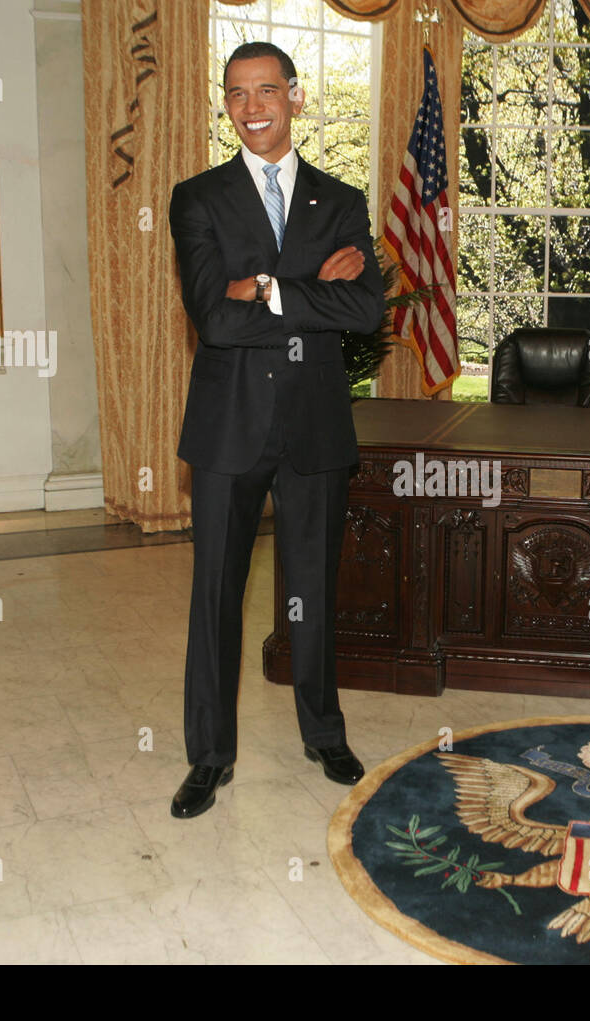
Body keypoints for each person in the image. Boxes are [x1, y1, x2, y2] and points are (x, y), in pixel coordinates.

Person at [168, 41, 384, 819]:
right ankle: (210, 756)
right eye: (236, 93)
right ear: (225, 104)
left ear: (295, 97)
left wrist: (259, 286)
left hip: (315, 428)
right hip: (227, 430)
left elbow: (364, 311)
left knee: (313, 593)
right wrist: (300, 291)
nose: (252, 106)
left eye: (266, 90)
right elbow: (214, 321)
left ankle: (324, 734)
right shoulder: (196, 198)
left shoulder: (341, 200)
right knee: (216, 599)